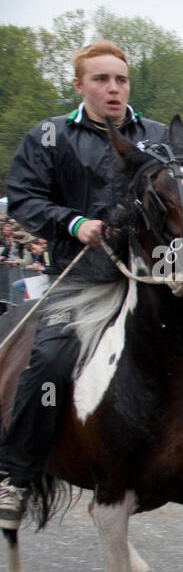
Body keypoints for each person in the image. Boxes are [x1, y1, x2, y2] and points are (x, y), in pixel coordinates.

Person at [0, 40, 170, 527]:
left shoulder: (155, 136)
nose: (113, 88)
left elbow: (180, 192)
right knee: (50, 360)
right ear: (79, 86)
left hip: (151, 278)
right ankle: (14, 474)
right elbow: (23, 198)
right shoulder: (49, 136)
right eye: (101, 79)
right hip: (81, 279)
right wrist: (73, 223)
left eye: (120, 79)